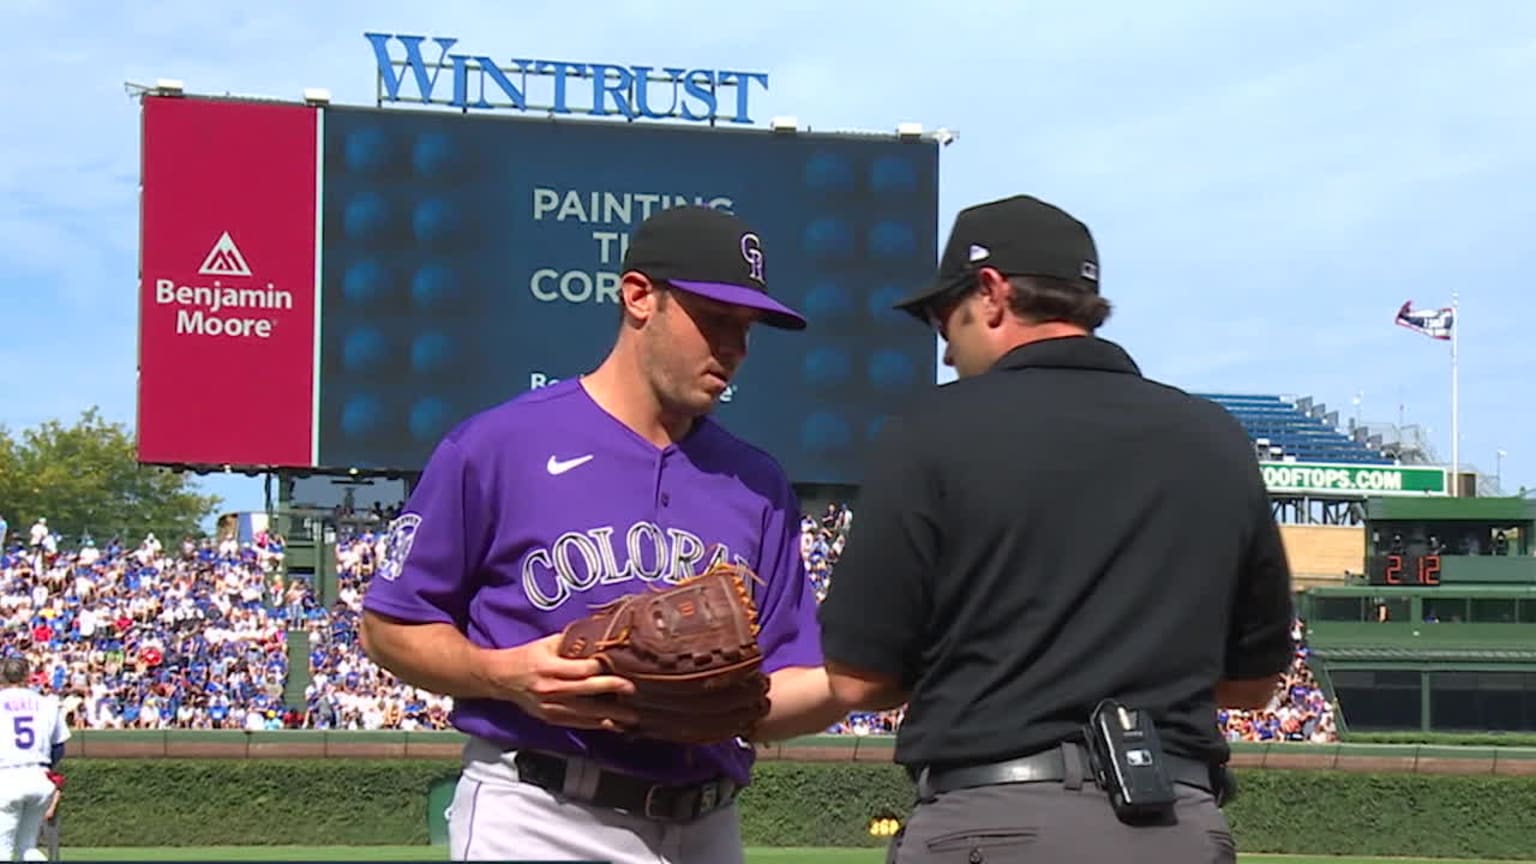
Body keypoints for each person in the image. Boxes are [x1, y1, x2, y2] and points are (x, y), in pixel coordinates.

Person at [360, 205, 848, 863]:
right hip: (540, 814)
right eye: (716, 320)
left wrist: (863, 681)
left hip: (705, 824)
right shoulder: (501, 446)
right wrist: (502, 674)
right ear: (639, 296)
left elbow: (785, 680)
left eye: (747, 328)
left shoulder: (757, 484)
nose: (734, 348)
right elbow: (390, 627)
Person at [817, 194, 1296, 863]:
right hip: (1176, 824)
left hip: (995, 820)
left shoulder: (932, 431)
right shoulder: (1213, 437)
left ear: (990, 292)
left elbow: (859, 680)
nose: (948, 352)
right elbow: (1253, 685)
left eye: (942, 320)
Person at [0, 656, 70, 862]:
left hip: (6, 776)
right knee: (27, 847)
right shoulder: (47, 704)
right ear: (28, 676)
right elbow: (59, 747)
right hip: (38, 777)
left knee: (2, 847)